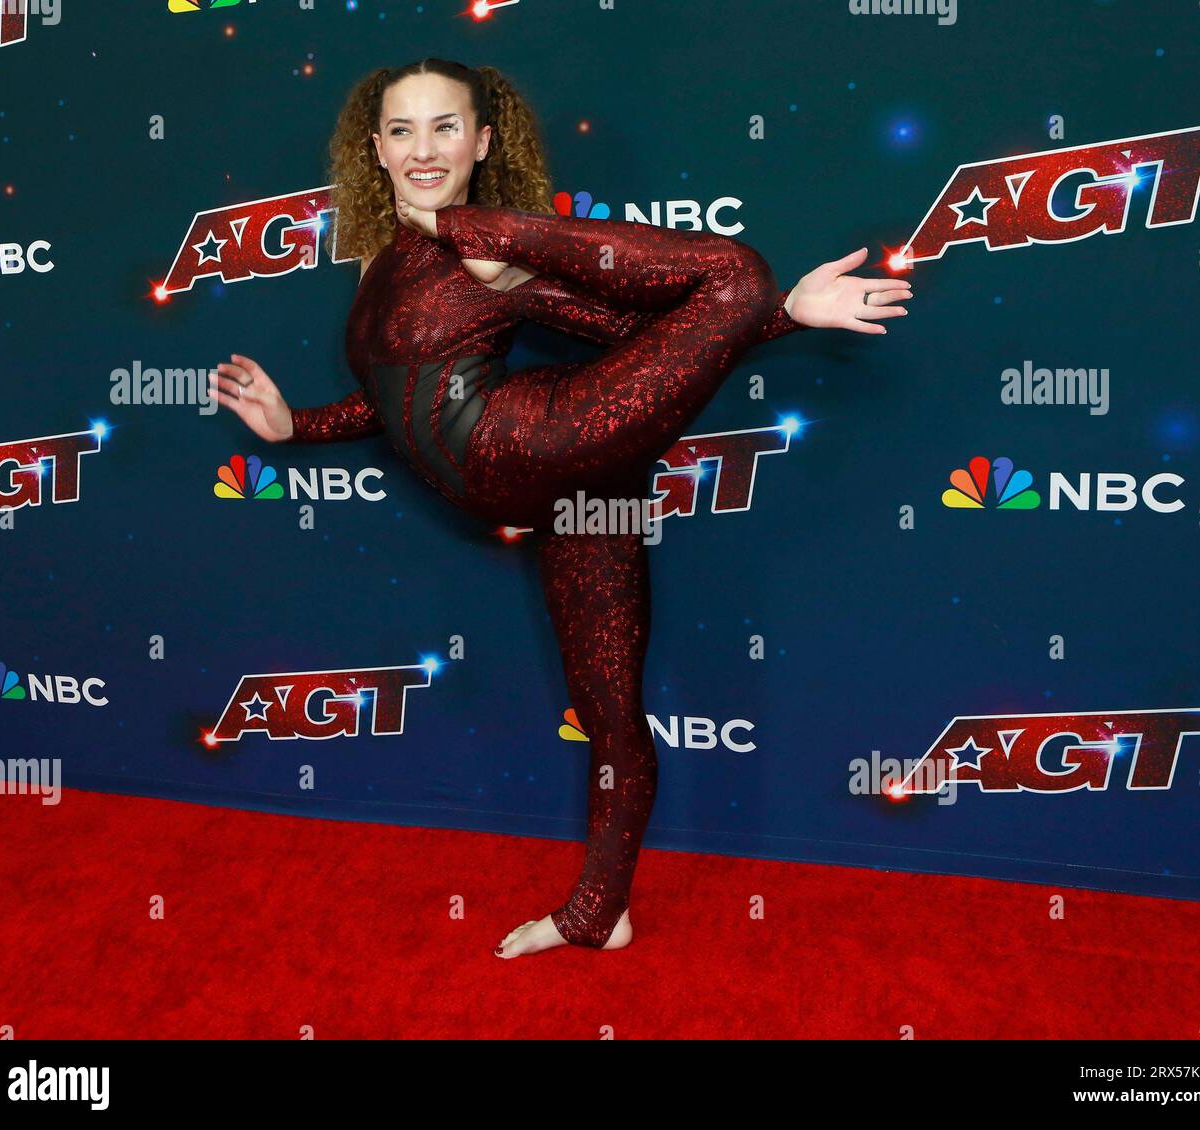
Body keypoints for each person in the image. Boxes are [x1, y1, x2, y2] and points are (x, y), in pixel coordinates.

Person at [209, 58, 912, 958]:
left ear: (483, 141)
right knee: (606, 706)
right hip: (575, 496)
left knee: (735, 278)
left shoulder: (500, 249)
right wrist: (293, 426)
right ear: (375, 149)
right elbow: (400, 398)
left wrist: (782, 313)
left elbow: (698, 306)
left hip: (539, 439)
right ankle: (599, 915)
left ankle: (599, 910)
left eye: (447, 127)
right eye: (403, 130)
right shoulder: (382, 260)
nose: (425, 148)